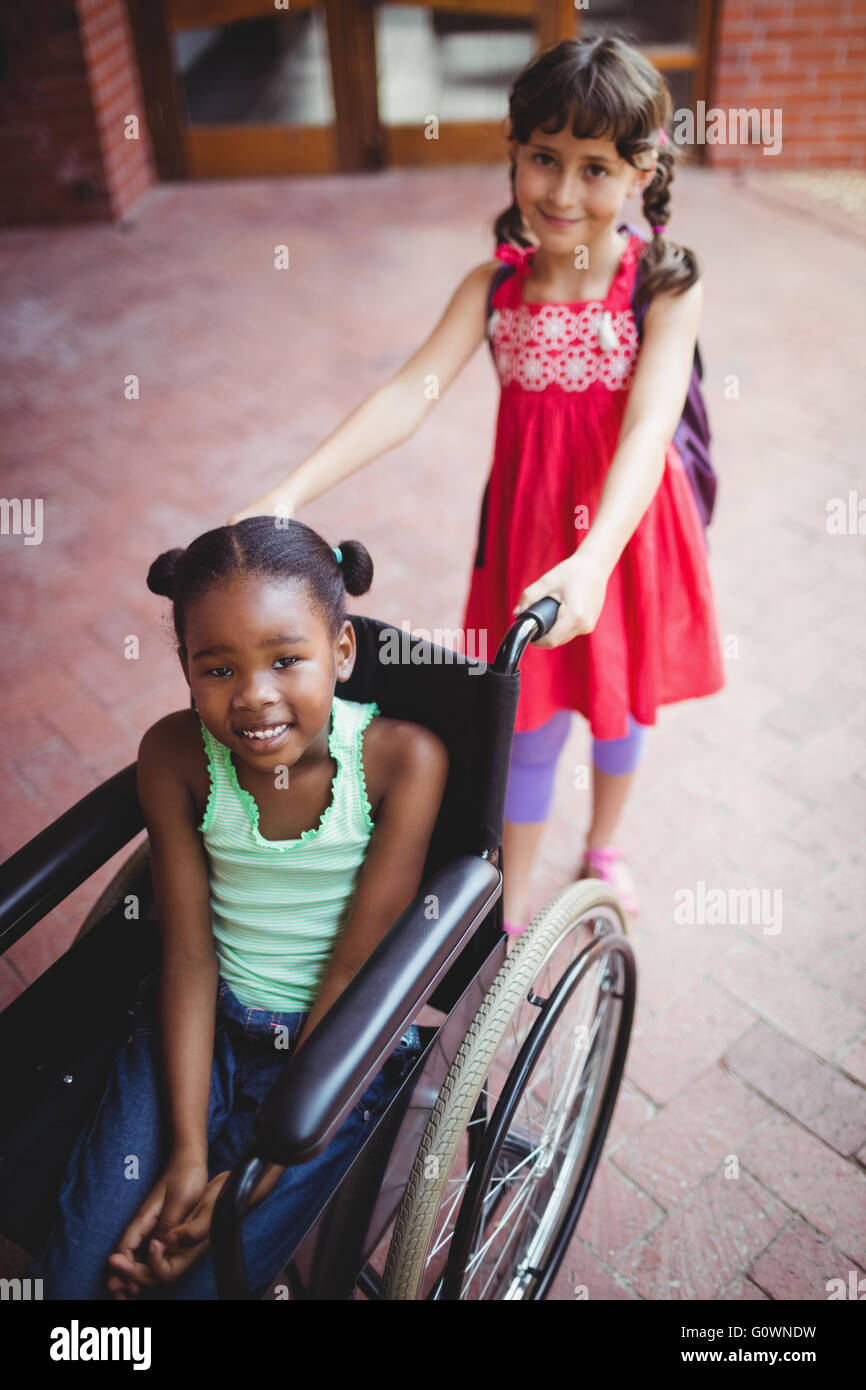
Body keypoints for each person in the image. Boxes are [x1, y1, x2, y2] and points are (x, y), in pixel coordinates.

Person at [229, 35, 724, 929]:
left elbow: (651, 427)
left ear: (643, 171)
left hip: (626, 535)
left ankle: (605, 842)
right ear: (513, 154)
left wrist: (596, 558)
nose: (563, 194)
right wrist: (291, 490)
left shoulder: (664, 287)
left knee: (619, 712)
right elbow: (406, 395)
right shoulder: (493, 292)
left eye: (596, 168)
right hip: (532, 539)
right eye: (543, 159)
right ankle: (513, 905)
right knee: (524, 722)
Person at [26, 517, 449, 1299]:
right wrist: (190, 1156)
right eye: (217, 670)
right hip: (200, 1025)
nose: (255, 697)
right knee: (78, 1277)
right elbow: (187, 953)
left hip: (335, 1051)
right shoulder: (176, 754)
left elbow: (356, 966)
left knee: (194, 1287)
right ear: (186, 670)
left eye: (287, 660)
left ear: (343, 653)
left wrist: (258, 1169)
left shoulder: (402, 762)